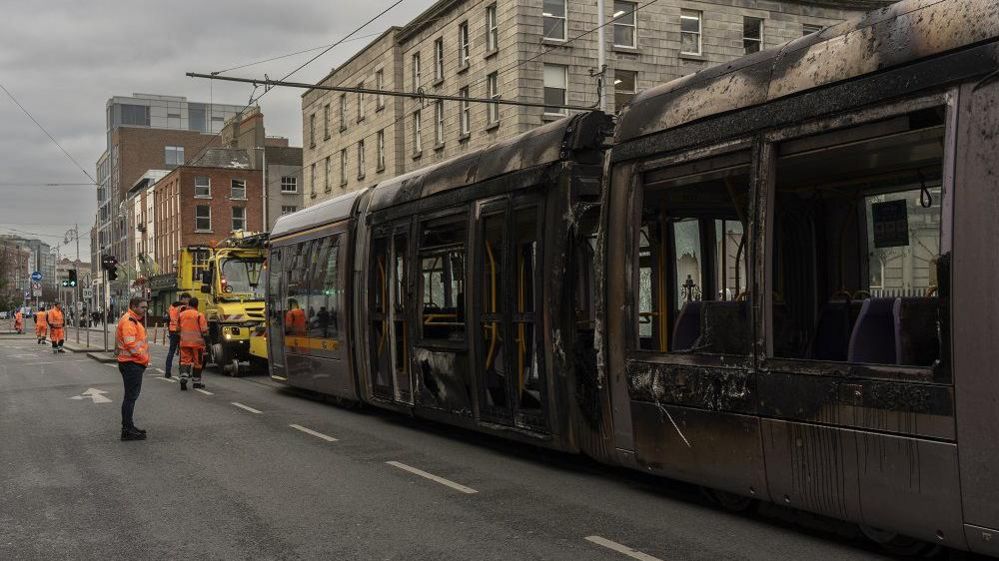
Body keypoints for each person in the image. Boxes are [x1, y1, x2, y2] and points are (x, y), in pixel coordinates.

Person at [116, 297, 149, 441]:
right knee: (130, 398)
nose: (145, 310)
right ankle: (127, 429)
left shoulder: (131, 319)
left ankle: (129, 426)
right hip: (132, 363)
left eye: (146, 307)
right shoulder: (130, 321)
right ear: (134, 306)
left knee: (130, 397)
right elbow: (131, 345)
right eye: (142, 307)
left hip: (131, 363)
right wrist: (143, 359)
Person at [177, 297, 209, 391]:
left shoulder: (181, 315)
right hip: (197, 344)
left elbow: (177, 330)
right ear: (197, 305)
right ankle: (196, 383)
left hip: (184, 343)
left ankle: (183, 378)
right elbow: (204, 331)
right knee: (198, 363)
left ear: (189, 304)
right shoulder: (199, 315)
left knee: (184, 361)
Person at [164, 293, 192, 379]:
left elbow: (168, 318)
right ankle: (183, 371)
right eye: (188, 299)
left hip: (172, 330)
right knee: (183, 353)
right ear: (183, 299)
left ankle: (167, 372)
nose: (188, 301)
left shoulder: (172, 306)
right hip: (180, 331)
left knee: (171, 352)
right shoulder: (183, 307)